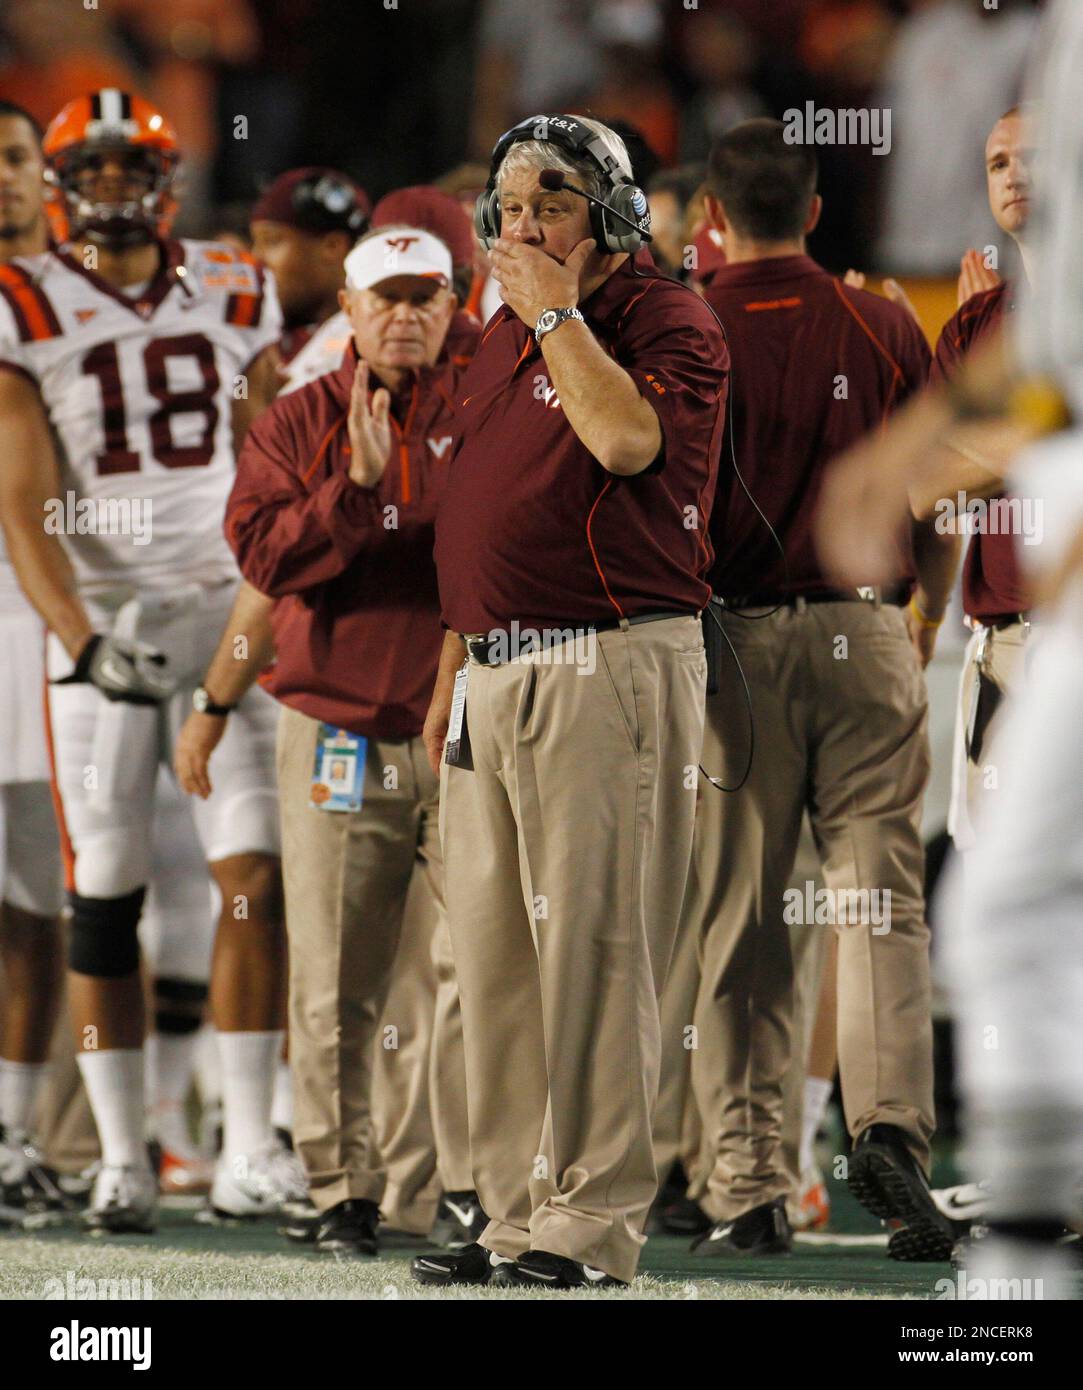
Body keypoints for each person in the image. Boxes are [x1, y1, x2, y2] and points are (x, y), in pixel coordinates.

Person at [412, 112, 728, 1291]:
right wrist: (449, 685)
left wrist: (552, 311)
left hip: (609, 663)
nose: (523, 220)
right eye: (509, 200)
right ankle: (509, 1213)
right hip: (495, 676)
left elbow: (631, 442)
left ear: (611, 210)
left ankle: (590, 1225)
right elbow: (480, 528)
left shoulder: (666, 316)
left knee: (597, 951)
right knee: (490, 964)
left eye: (552, 196)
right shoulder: (496, 336)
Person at [0, 90, 297, 1234]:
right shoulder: (25, 299)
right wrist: (80, 640)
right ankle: (124, 1154)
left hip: (226, 605)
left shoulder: (232, 280)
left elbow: (265, 453)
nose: (116, 184)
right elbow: (23, 507)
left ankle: (249, 1142)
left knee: (251, 877)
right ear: (69, 180)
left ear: (166, 177)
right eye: (97, 166)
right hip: (111, 625)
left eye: (134, 165)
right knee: (102, 894)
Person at [684, 118, 952, 1260]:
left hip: (732, 640)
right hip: (866, 627)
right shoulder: (885, 320)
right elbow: (942, 481)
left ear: (710, 216)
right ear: (814, 210)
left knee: (743, 914)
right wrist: (919, 604)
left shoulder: (686, 327)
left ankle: (747, 1179)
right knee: (878, 903)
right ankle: (887, 1122)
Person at [223, 226, 477, 1258]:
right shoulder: (297, 421)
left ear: (456, 304)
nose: (407, 314)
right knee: (332, 979)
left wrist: (391, 514)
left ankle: (470, 1183)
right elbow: (260, 553)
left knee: (479, 969)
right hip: (336, 726)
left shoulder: (491, 406)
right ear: (351, 307)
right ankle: (342, 1188)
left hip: (463, 727)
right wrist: (356, 497)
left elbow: (500, 547)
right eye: (389, 297)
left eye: (426, 296)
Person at [0, 99, 67, 1223]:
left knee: (37, 891)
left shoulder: (82, 299)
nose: (2, 178)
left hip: (42, 619)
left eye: (14, 157)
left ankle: (13, 1135)